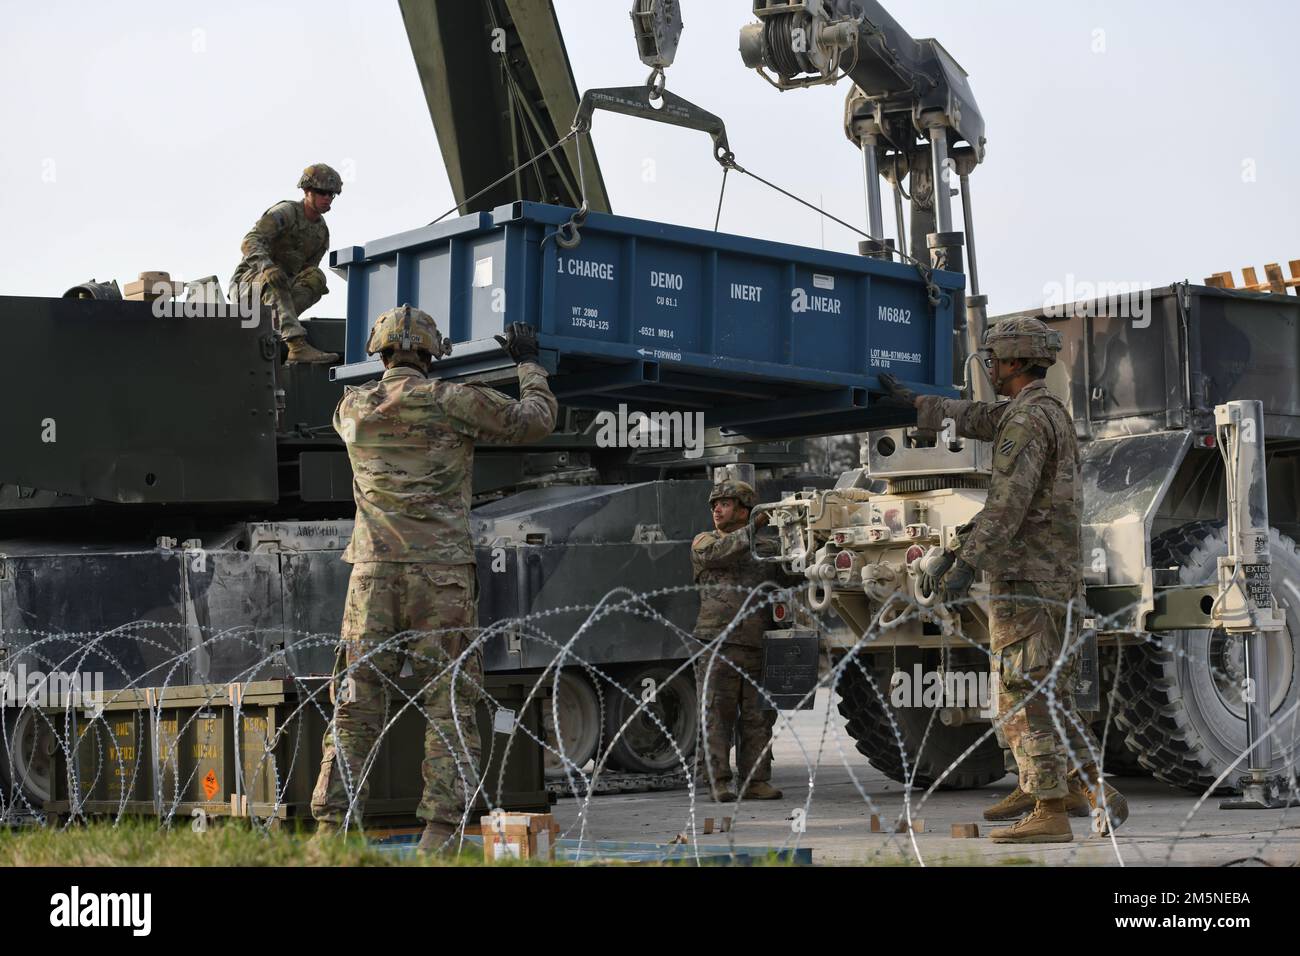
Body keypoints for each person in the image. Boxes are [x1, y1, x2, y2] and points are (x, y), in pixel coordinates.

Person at [310, 306, 557, 853]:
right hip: (441, 578)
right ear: (431, 352)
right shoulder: (454, 402)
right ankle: (440, 835)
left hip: (372, 578)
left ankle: (332, 832)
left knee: (354, 706)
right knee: (449, 705)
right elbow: (537, 420)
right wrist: (530, 365)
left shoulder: (351, 410)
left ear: (379, 352)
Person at [882, 317, 1127, 842]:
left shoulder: (1026, 422)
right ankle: (1085, 789)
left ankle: (1049, 808)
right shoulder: (1042, 411)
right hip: (1051, 578)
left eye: (994, 359)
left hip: (1027, 580)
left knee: (1025, 690)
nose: (989, 367)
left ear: (1015, 362)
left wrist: (967, 561)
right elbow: (979, 417)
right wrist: (920, 405)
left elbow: (1007, 505)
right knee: (1047, 691)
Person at [691, 479, 784, 803]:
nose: (717, 509)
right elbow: (722, 552)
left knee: (758, 717)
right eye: (715, 504)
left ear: (744, 509)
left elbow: (790, 577)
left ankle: (756, 780)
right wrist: (754, 528)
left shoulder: (767, 549)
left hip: (758, 642)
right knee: (717, 715)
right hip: (718, 643)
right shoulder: (704, 543)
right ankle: (718, 781)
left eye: (725, 503)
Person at [229, 163, 343, 364]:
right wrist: (267, 266)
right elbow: (249, 241)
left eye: (331, 194)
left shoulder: (321, 233)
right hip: (248, 286)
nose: (327, 198)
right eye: (321, 192)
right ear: (307, 191)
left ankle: (276, 324)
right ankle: (296, 344)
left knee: (316, 278)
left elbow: (308, 270)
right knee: (276, 278)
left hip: (278, 293)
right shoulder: (287, 212)